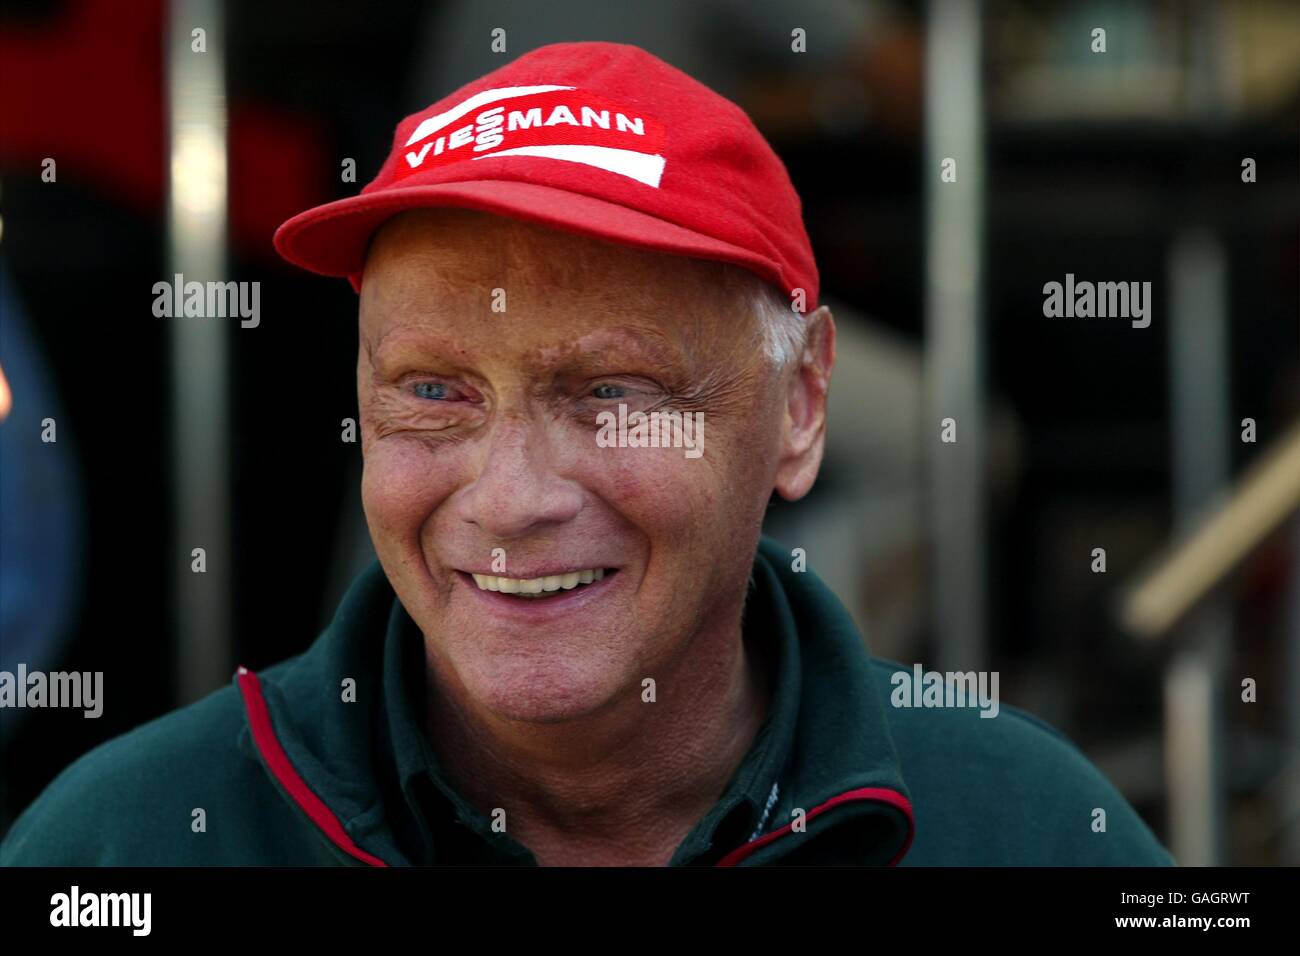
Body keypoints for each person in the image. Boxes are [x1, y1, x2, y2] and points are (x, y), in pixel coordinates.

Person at [0, 42, 1172, 866]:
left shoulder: (1025, 826)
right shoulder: (129, 841)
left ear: (801, 405)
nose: (508, 499)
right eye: (433, 391)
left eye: (610, 392)